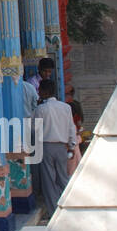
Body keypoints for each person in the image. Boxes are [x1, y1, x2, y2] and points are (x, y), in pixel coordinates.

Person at [35, 78, 75, 215]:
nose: (38, 92)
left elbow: (36, 129)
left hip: (46, 147)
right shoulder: (66, 107)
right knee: (63, 178)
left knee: (49, 181)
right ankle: (70, 206)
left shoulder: (40, 109)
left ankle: (54, 212)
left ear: (44, 92)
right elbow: (71, 127)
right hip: (62, 147)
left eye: (40, 90)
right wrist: (72, 145)